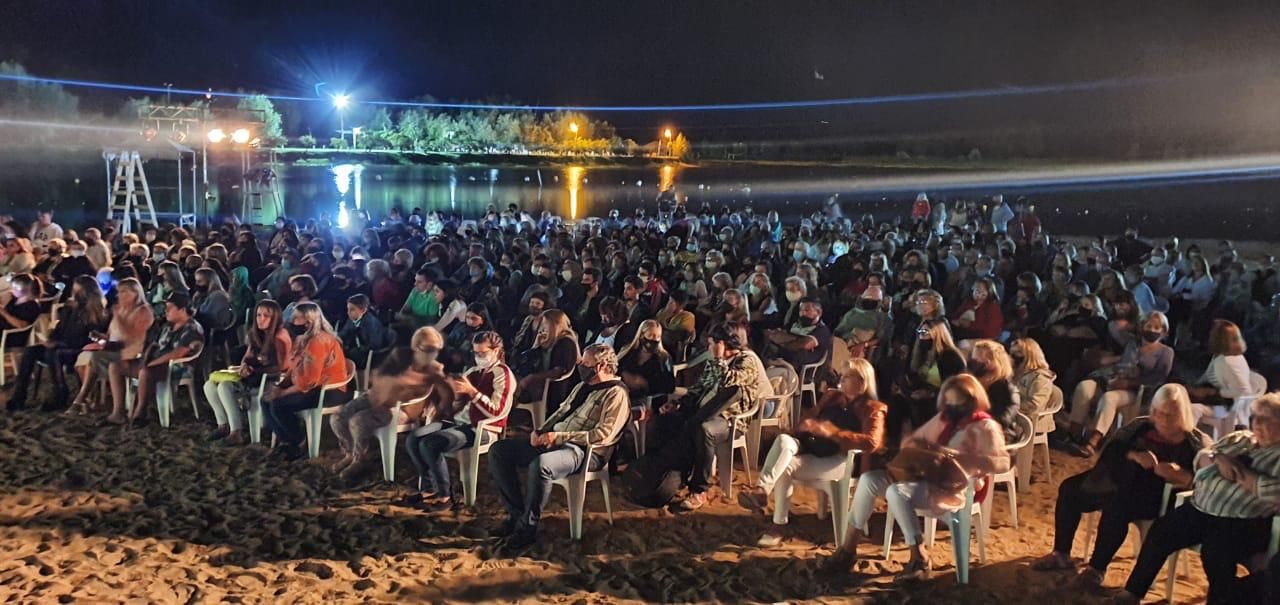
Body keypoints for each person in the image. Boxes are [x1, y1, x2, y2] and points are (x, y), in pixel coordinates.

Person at [834, 374, 1010, 579]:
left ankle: (920, 557)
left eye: (958, 402)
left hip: (953, 487)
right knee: (869, 480)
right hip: (924, 477)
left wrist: (963, 458)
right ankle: (848, 549)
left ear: (972, 400)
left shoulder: (985, 427)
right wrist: (916, 447)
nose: (952, 406)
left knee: (897, 493)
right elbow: (916, 439)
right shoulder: (945, 419)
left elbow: (1002, 462)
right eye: (949, 401)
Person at [1031, 384, 1206, 588]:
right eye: (1159, 413)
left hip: (1156, 498)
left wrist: (1181, 476)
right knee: (1070, 489)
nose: (1163, 420)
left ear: (1182, 413)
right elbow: (1111, 453)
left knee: (1117, 507)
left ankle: (1097, 568)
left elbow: (1205, 480)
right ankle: (1061, 553)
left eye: (1170, 415)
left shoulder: (1193, 441)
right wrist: (1134, 455)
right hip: (1116, 481)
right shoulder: (1140, 427)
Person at [1118, 393, 1280, 604]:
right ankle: (1132, 592)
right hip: (1201, 509)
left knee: (1216, 554)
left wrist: (1238, 471)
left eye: (1266, 420)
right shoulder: (1240, 439)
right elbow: (1201, 458)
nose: (1257, 424)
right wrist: (1218, 458)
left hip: (1242, 521)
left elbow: (1272, 490)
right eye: (1256, 417)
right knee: (1161, 531)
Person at [487, 343, 630, 549]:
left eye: (586, 363)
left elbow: (603, 434)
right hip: (557, 440)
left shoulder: (616, 394)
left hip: (585, 451)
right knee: (499, 451)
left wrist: (559, 437)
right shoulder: (582, 387)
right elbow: (561, 412)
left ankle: (528, 527)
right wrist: (541, 431)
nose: (581, 366)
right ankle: (517, 516)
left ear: (601, 366)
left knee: (542, 464)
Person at [740, 358, 887, 545]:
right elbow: (813, 413)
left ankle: (778, 524)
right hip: (812, 445)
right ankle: (761, 490)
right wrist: (809, 423)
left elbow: (872, 442)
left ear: (862, 381)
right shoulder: (833, 396)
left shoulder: (873, 409)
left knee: (785, 466)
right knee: (784, 441)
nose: (841, 380)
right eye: (841, 375)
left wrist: (833, 432)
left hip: (840, 459)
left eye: (847, 377)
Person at [405, 331, 515, 510]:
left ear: (496, 351)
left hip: (483, 428)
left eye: (483, 353)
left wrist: (473, 392)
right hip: (458, 422)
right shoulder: (473, 371)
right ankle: (428, 488)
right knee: (413, 439)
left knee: (430, 444)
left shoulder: (503, 374)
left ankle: (445, 496)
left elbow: (497, 411)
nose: (479, 357)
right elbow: (457, 399)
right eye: (476, 353)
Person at [332, 327, 455, 483]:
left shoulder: (435, 369)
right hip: (377, 397)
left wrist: (437, 412)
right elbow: (379, 376)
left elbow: (445, 394)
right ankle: (349, 453)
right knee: (338, 417)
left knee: (358, 420)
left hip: (400, 409)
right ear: (416, 346)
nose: (433, 354)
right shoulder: (400, 356)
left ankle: (359, 459)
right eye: (429, 349)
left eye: (436, 350)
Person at [671, 323, 772, 511]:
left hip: (732, 419)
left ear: (725, 344)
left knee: (704, 430)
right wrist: (679, 400)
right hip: (706, 411)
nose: (709, 347)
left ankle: (700, 490)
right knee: (676, 419)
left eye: (713, 343)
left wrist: (718, 358)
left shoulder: (747, 361)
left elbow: (730, 382)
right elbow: (701, 387)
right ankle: (676, 476)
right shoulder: (713, 360)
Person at [1065, 311, 1175, 457]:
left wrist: (1129, 382)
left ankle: (1093, 441)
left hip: (1136, 390)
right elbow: (1121, 362)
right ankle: (1074, 433)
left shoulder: (1166, 352)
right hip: (1114, 380)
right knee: (1084, 387)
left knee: (1110, 398)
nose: (1152, 330)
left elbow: (1158, 378)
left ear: (1163, 331)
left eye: (1157, 327)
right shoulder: (1132, 344)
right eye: (1149, 326)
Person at [262, 302, 351, 460]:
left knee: (278, 404)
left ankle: (298, 442)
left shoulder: (318, 341)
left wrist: (282, 393)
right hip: (313, 387)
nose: (292, 321)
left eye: (296, 318)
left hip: (330, 391)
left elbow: (309, 381)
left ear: (308, 322)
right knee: (266, 400)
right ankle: (286, 441)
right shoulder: (305, 339)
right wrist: (280, 386)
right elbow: (295, 369)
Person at [7, 275, 109, 411]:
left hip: (80, 349)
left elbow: (87, 337)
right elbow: (60, 328)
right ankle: (19, 397)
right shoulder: (70, 307)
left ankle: (60, 393)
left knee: (54, 352)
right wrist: (51, 340)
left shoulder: (96, 312)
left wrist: (58, 343)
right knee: (31, 351)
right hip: (63, 344)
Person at [202, 300, 291, 445]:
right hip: (253, 376)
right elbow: (247, 357)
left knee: (224, 386)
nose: (260, 319)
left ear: (275, 318)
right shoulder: (256, 333)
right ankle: (223, 425)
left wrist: (254, 369)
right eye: (258, 315)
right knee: (209, 386)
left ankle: (236, 431)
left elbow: (282, 368)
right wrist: (244, 366)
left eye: (266, 316)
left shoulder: (279, 337)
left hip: (269, 381)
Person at [113, 292, 205, 427]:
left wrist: (151, 364)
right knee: (116, 366)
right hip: (153, 363)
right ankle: (118, 412)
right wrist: (145, 359)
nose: (166, 311)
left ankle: (140, 412)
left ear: (183, 309)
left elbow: (178, 353)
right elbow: (155, 344)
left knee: (145, 372)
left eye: (170, 307)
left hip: (174, 367)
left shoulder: (192, 328)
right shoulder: (168, 326)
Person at [1189, 319, 1262, 428]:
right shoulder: (1227, 356)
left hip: (1226, 411)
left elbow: (1242, 391)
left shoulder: (1226, 361)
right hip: (1222, 402)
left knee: (1189, 409)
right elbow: (1206, 377)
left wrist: (1214, 392)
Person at [966, 339, 1025, 443]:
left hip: (996, 437)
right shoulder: (972, 383)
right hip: (971, 432)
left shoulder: (1008, 390)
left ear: (992, 363)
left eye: (977, 360)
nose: (973, 363)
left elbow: (1002, 421)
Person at [516, 309, 579, 404]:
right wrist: (535, 346)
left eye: (545, 324)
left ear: (554, 325)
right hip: (541, 384)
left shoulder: (566, 343)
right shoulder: (548, 339)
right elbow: (524, 362)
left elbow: (558, 372)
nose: (542, 327)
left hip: (554, 390)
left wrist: (533, 377)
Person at [338, 294, 392, 368]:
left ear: (363, 310)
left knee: (343, 356)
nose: (348, 312)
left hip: (370, 356)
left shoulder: (371, 323)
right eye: (348, 309)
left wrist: (354, 349)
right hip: (356, 347)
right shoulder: (353, 319)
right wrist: (337, 338)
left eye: (352, 309)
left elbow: (375, 345)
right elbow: (344, 332)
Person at [1009, 338, 1056, 419]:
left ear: (1030, 355)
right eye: (1012, 353)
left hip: (1028, 421)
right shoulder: (1014, 372)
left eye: (1018, 353)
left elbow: (1033, 405)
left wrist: (1009, 407)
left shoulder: (1041, 378)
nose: (1013, 356)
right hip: (1012, 416)